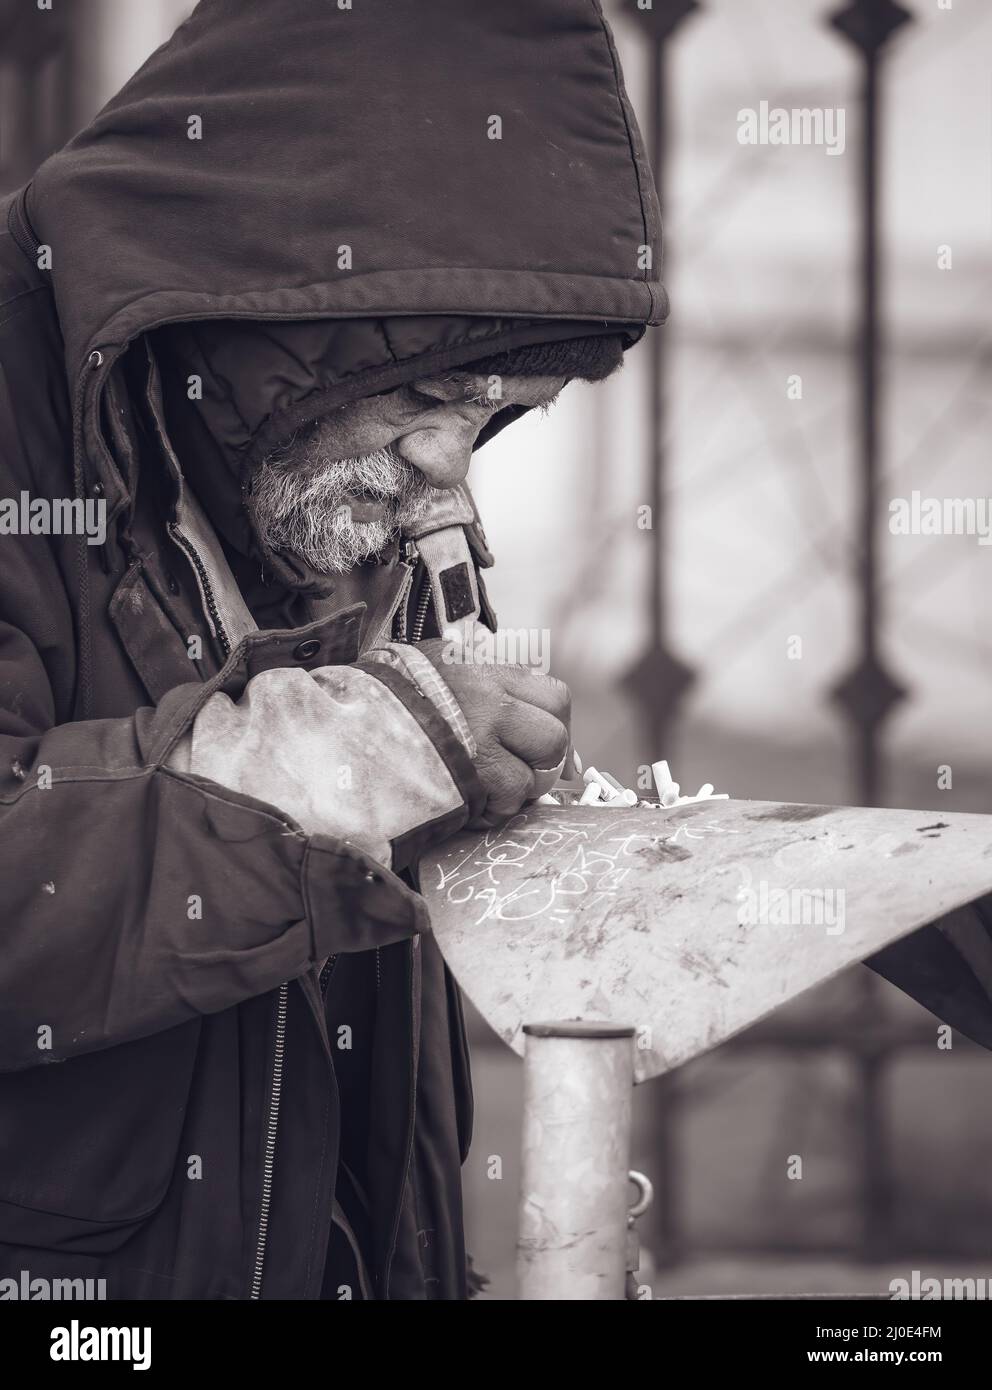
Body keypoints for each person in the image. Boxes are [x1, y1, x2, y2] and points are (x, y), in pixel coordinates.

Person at [0, 0, 667, 1299]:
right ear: (277, 300)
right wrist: (316, 768)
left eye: (491, 421)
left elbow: (364, 1076)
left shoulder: (336, 495)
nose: (446, 481)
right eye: (423, 397)